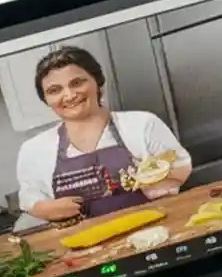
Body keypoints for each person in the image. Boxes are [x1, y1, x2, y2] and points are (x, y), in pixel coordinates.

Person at [15, 46, 192, 226]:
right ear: (45, 99)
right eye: (55, 90)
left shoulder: (141, 124)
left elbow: (180, 165)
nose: (68, 95)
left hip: (155, 229)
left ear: (98, 82)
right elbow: (30, 196)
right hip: (85, 243)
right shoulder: (34, 149)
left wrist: (156, 186)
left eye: (77, 83)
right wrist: (46, 209)